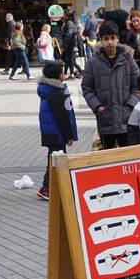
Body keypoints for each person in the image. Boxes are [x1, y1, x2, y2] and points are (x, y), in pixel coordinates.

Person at [82, 22, 140, 149]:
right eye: (106, 38)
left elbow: (137, 87)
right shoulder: (93, 63)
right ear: (101, 40)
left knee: (128, 156)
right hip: (105, 119)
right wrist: (97, 107)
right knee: (107, 157)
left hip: (127, 118)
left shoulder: (128, 60)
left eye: (113, 38)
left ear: (118, 39)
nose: (110, 42)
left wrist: (130, 105)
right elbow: (87, 89)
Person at [36, 60, 77, 201]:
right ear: (60, 76)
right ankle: (46, 188)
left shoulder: (47, 89)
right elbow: (63, 117)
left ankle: (52, 187)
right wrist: (69, 135)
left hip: (50, 131)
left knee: (53, 160)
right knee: (55, 162)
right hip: (57, 133)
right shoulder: (57, 93)